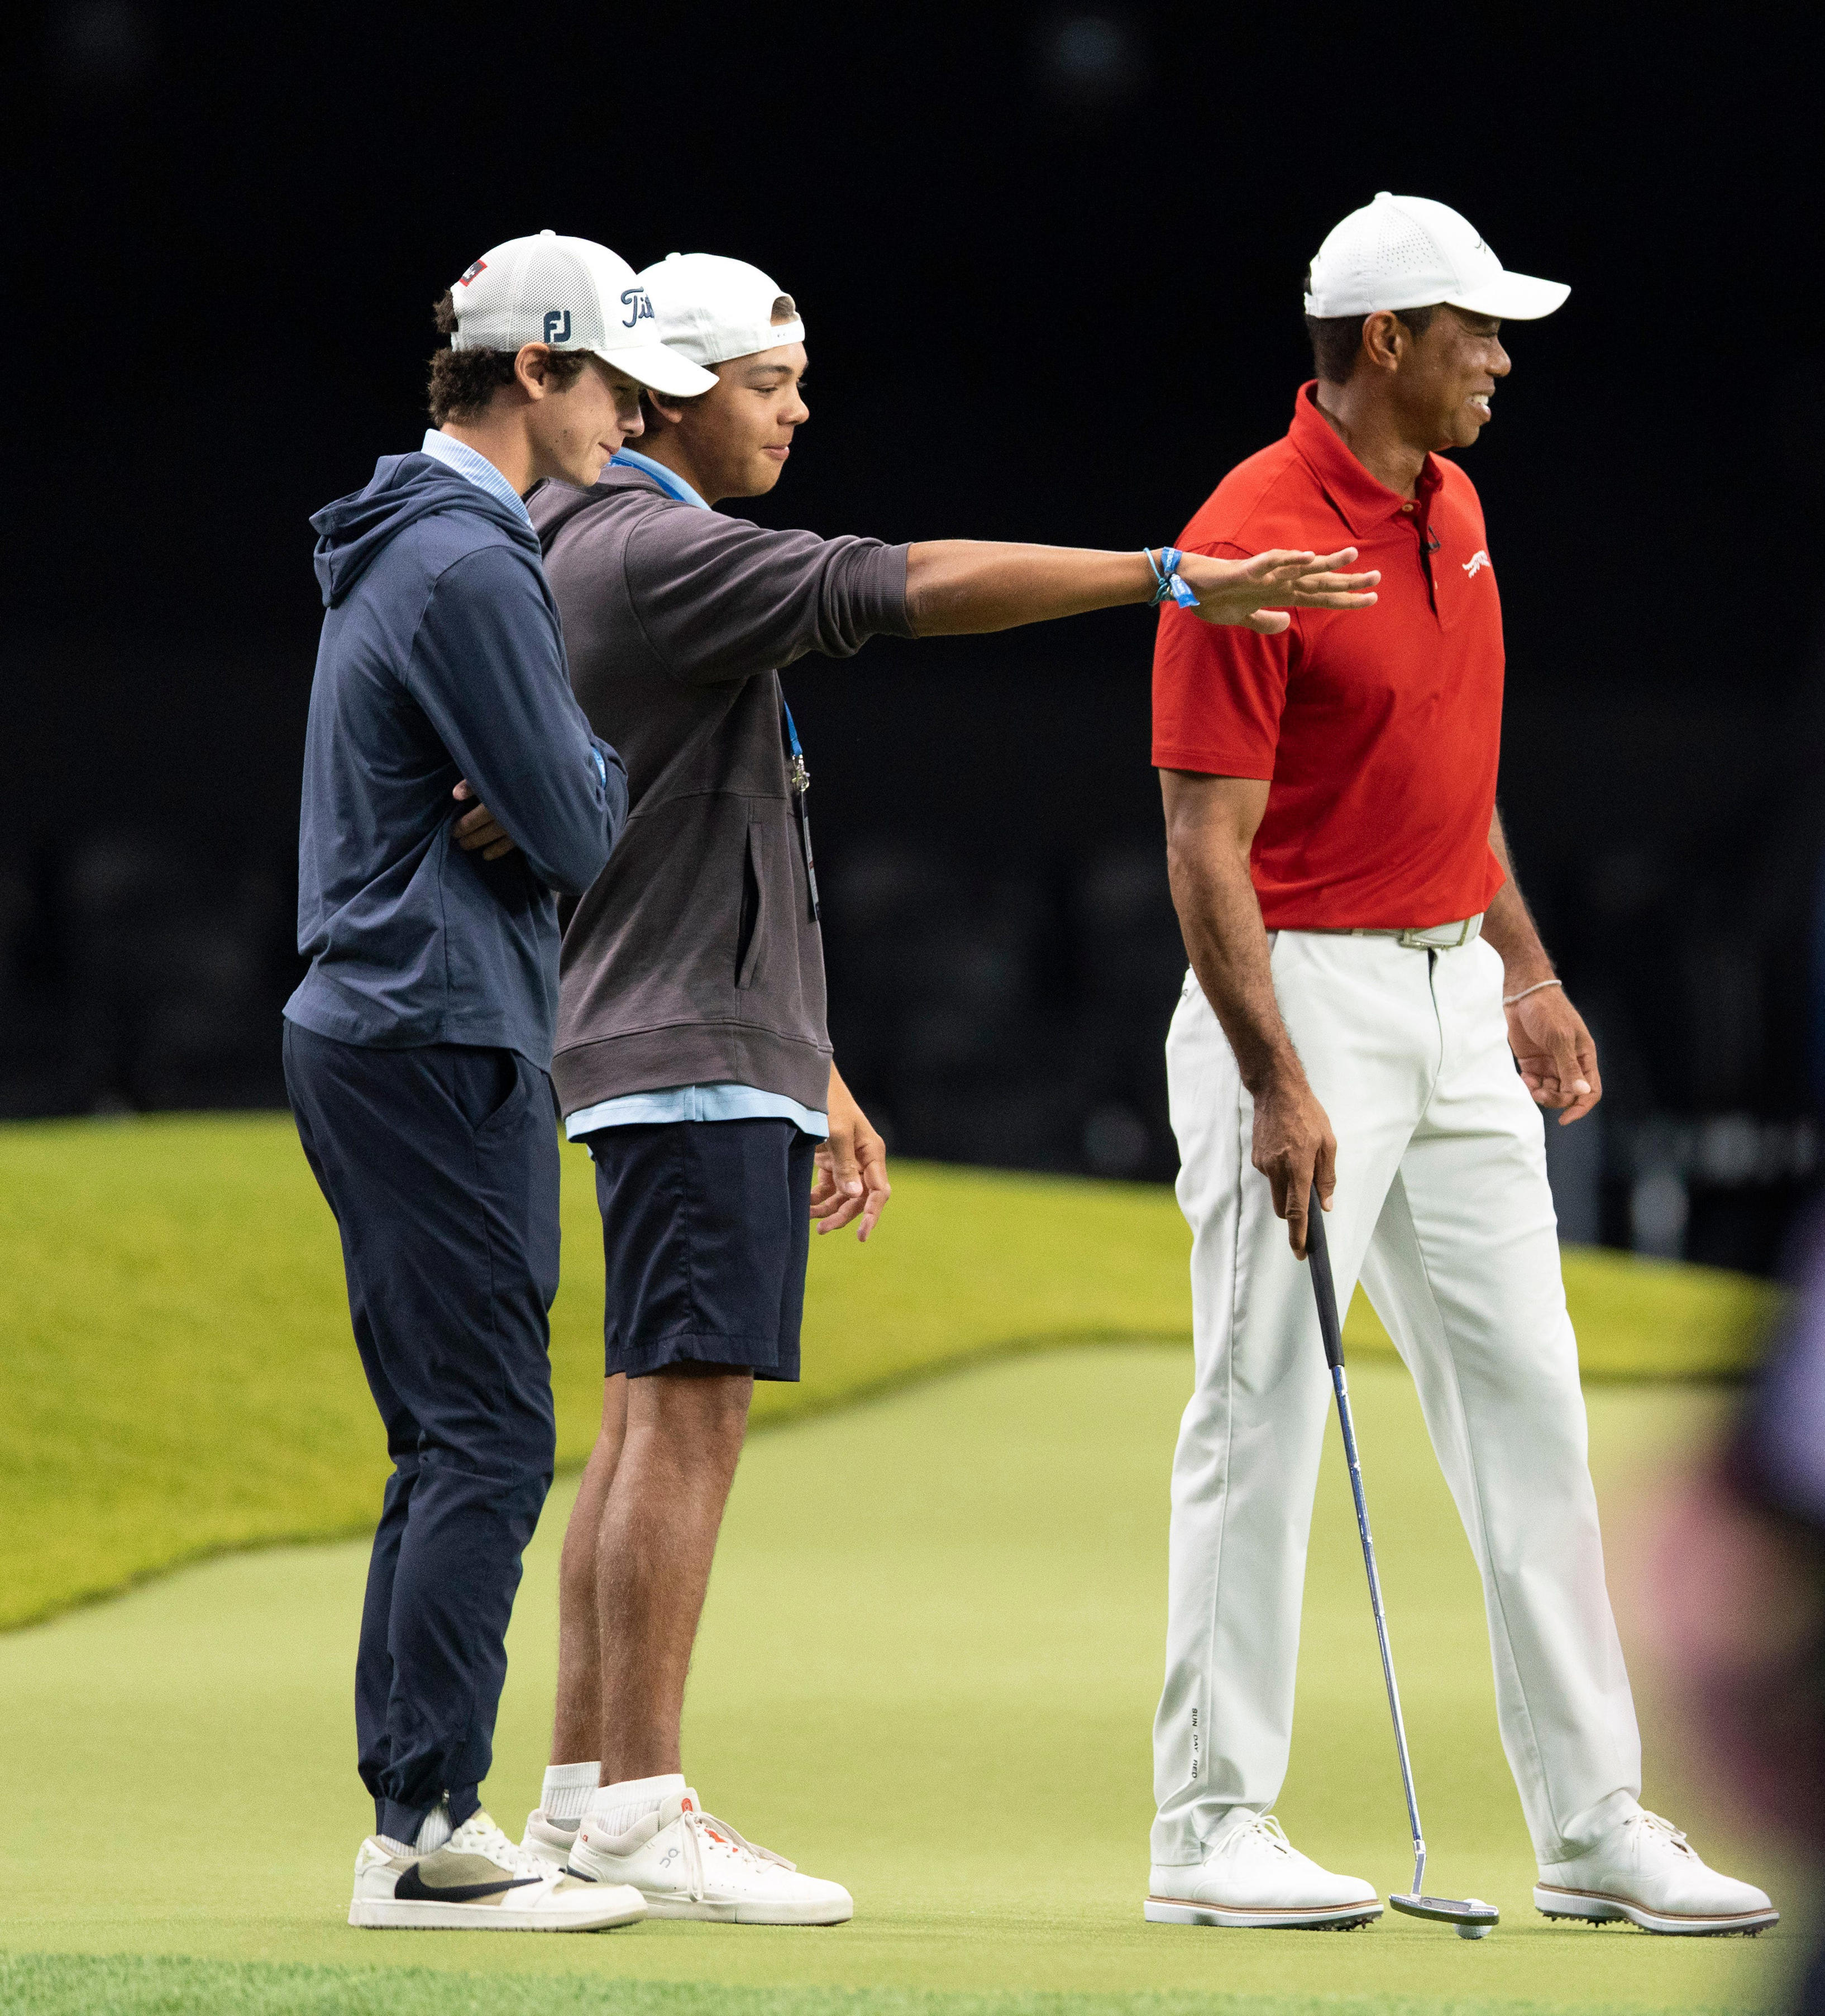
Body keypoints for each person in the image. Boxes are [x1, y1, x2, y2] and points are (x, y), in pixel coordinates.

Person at [496, 251, 1378, 1923]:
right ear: (673, 395)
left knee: (632, 1424)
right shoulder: (667, 546)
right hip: (682, 1046)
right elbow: (903, 584)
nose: (799, 406)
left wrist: (805, 1058)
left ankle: (578, 1792)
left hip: (666, 1031)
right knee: (684, 1419)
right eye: (772, 381)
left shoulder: (574, 541)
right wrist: (1167, 576)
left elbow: (682, 823)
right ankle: (640, 1803)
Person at [1143, 192, 1778, 1934]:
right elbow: (1205, 848)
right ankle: (1205, 1823)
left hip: (1448, 995)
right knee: (1261, 1405)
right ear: (1383, 343)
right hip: (1299, 998)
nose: (1501, 357)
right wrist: (1274, 1074)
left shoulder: (1457, 505)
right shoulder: (1247, 536)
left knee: (1530, 1409)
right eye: (1476, 330)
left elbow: (1444, 768)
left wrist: (1525, 964)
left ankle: (1592, 1821)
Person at [283, 230, 715, 1932]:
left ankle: (412, 1812)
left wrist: (537, 780)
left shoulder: (409, 533)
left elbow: (537, 803)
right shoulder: (471, 560)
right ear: (531, 370)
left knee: (443, 1433)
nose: (624, 408)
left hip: (381, 1014)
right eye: (607, 377)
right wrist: (566, 770)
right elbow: (584, 822)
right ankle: (432, 1833)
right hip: (435, 1018)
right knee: (485, 1431)